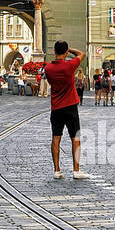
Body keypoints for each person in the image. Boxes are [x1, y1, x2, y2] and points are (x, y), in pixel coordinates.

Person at [43, 41, 88, 179]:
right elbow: (82, 54)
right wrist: (71, 50)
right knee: (75, 138)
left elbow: (50, 83)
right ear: (66, 51)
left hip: (56, 107)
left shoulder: (48, 68)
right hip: (70, 106)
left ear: (54, 51)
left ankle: (57, 170)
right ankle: (76, 170)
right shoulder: (70, 65)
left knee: (56, 138)